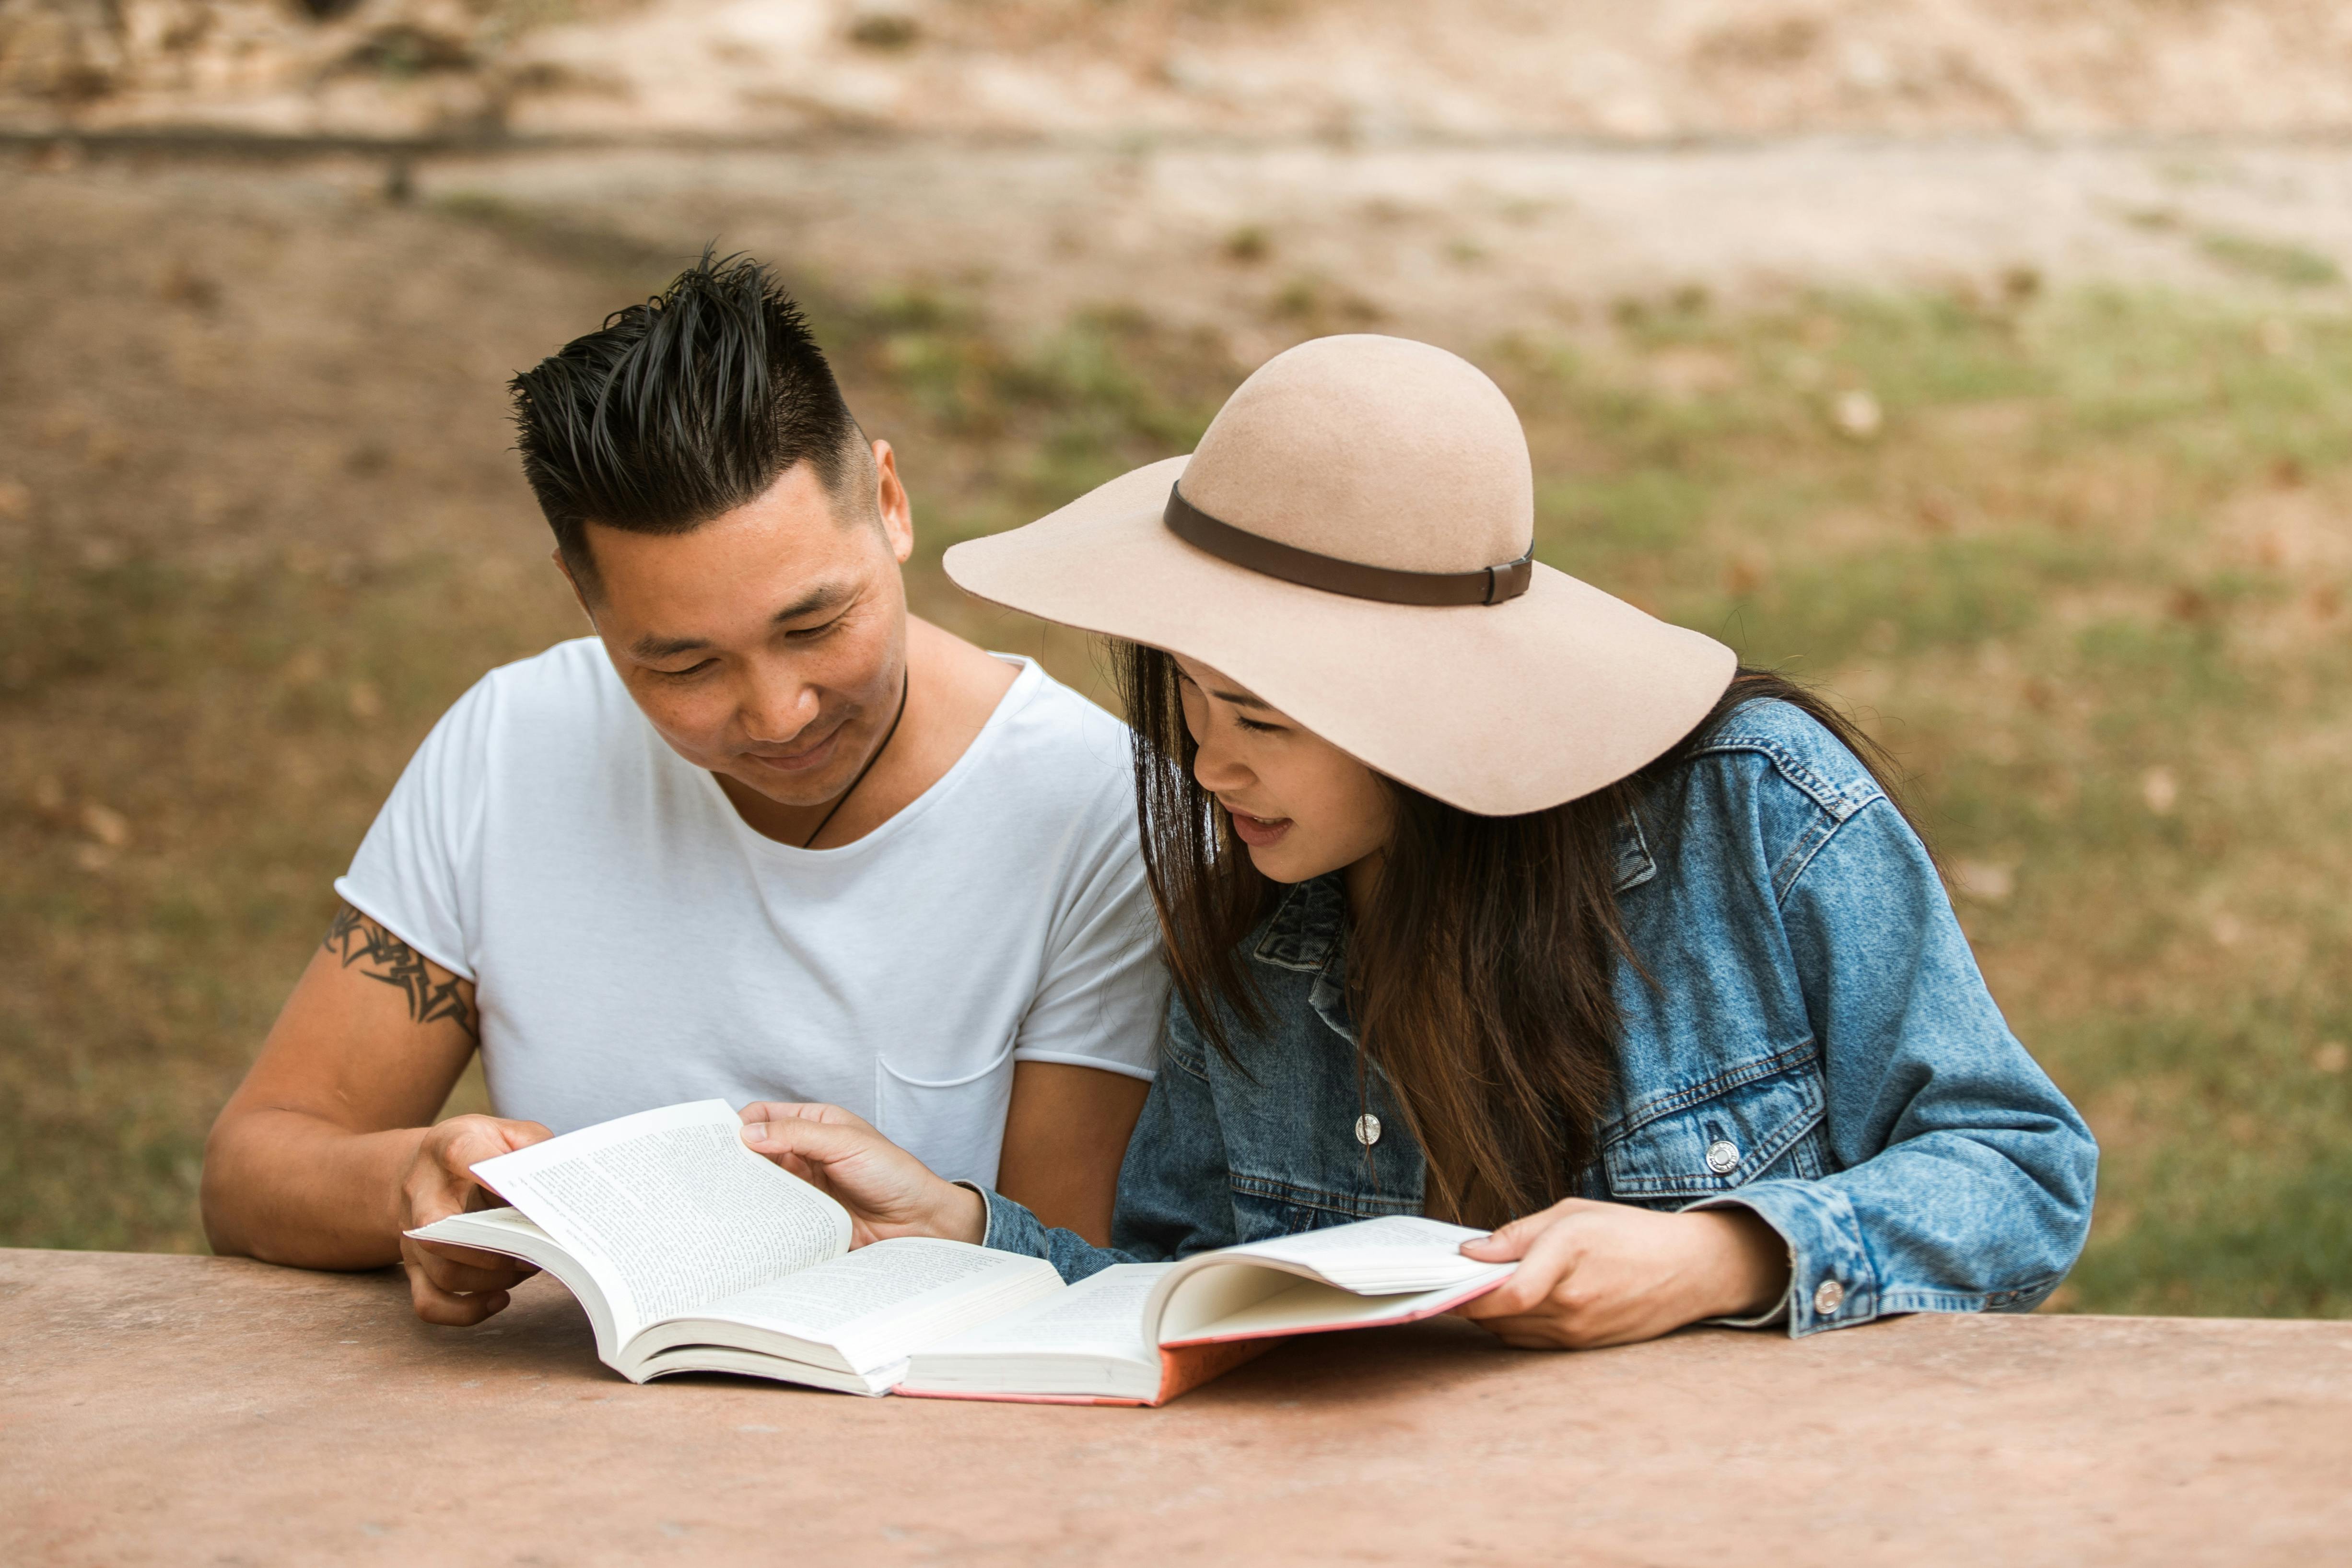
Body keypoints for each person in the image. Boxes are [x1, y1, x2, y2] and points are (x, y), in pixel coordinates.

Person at [726, 332, 2099, 1347]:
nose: (1206, 762)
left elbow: (2020, 1165)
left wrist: (1723, 1254)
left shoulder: (1755, 814)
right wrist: (961, 1228)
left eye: (1260, 714)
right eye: (1189, 701)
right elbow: (1175, 1283)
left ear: (1425, 709)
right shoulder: (1260, 925)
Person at [202, 254, 1164, 1325]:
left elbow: (1061, 1273)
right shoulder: (512, 742)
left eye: (814, 626)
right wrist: (413, 1181)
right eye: (682, 666)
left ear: (889, 505)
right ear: (582, 595)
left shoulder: (1097, 814)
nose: (776, 714)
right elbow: (254, 1166)